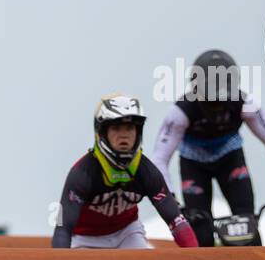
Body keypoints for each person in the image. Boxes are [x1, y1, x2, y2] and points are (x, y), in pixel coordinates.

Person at [149, 50, 265, 248]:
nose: (217, 108)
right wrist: (171, 198)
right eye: (211, 100)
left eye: (221, 100)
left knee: (246, 228)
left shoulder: (246, 103)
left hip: (230, 158)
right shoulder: (180, 111)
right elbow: (159, 159)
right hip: (194, 164)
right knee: (201, 232)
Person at [53, 94, 198, 249]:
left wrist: (196, 259)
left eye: (129, 128)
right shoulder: (82, 173)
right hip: (85, 239)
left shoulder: (146, 170)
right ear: (102, 132)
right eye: (116, 128)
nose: (124, 135)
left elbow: (175, 219)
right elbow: (63, 227)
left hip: (127, 234)